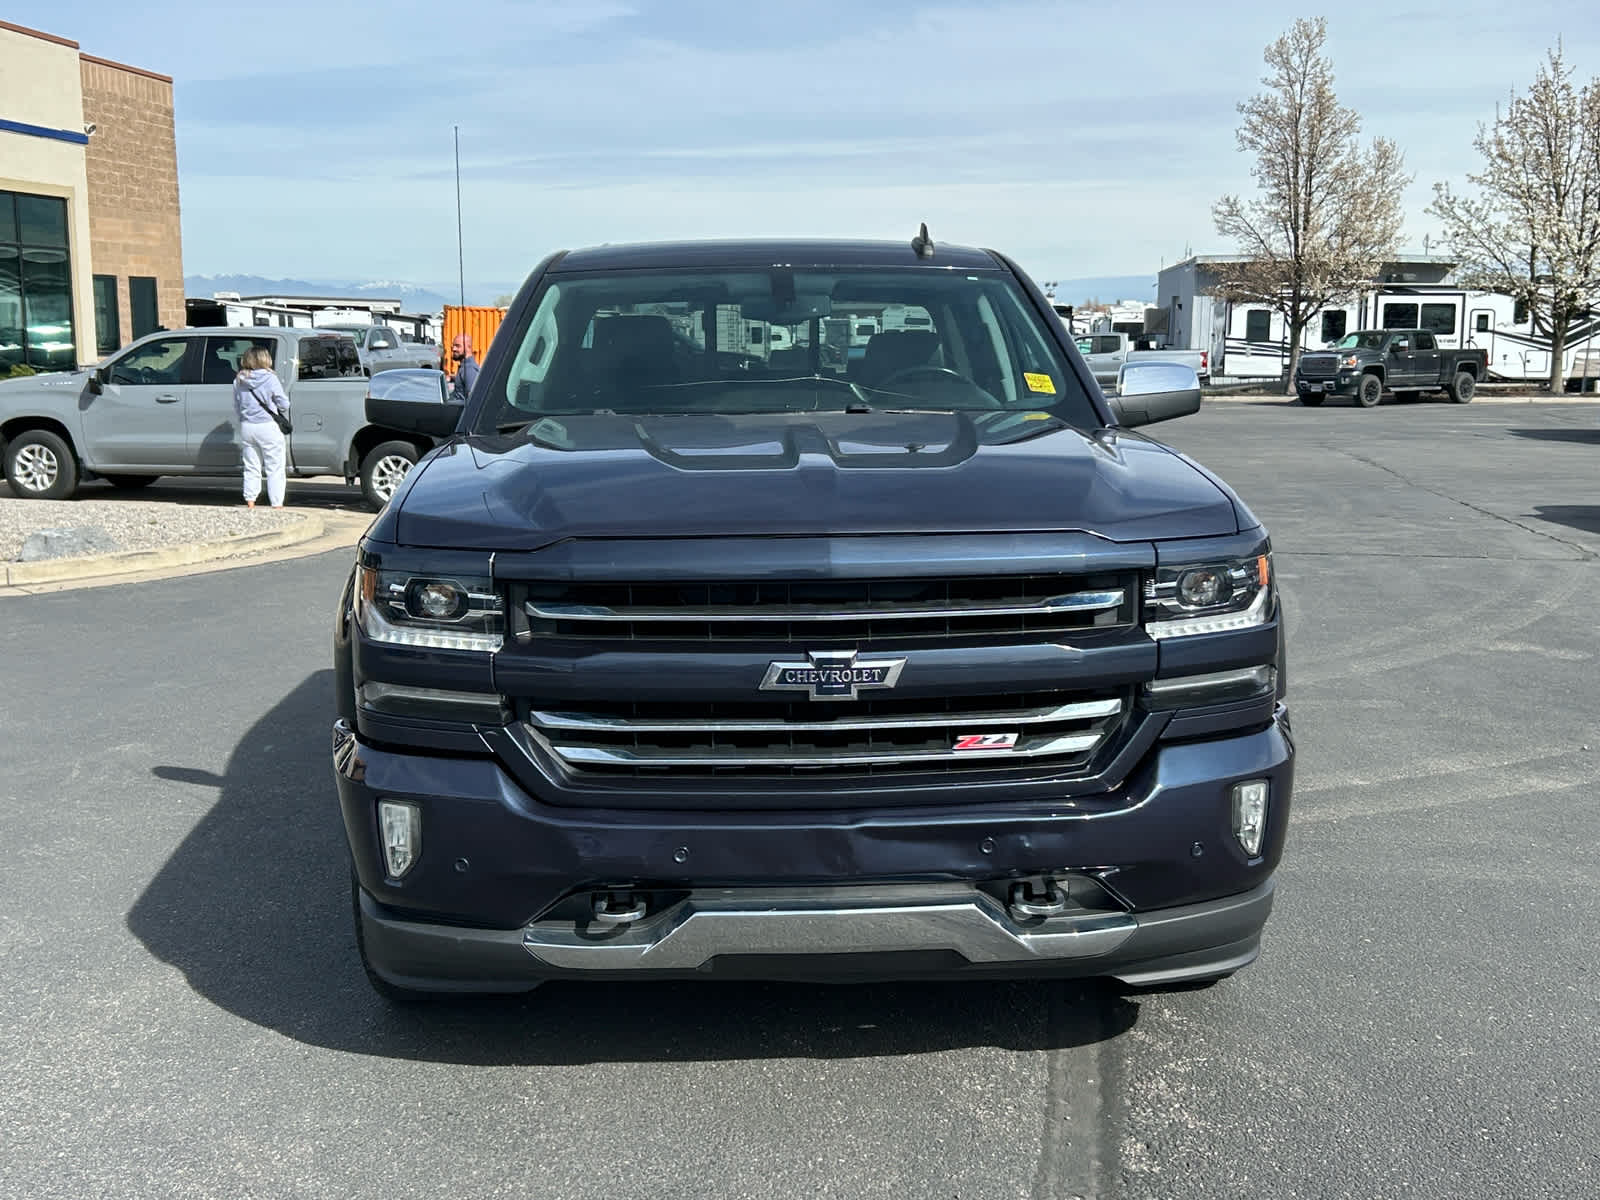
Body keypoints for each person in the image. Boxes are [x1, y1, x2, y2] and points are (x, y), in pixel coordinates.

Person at [234, 345, 289, 509]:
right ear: (266, 359)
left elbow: (237, 406)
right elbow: (284, 404)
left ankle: (250, 501)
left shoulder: (239, 380)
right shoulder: (271, 378)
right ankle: (276, 504)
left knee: (251, 466)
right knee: (275, 467)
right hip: (268, 426)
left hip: (247, 427)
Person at [448, 333, 479, 403]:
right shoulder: (464, 367)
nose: (453, 349)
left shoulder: (469, 369)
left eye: (457, 346)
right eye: (453, 346)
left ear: (468, 347)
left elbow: (473, 398)